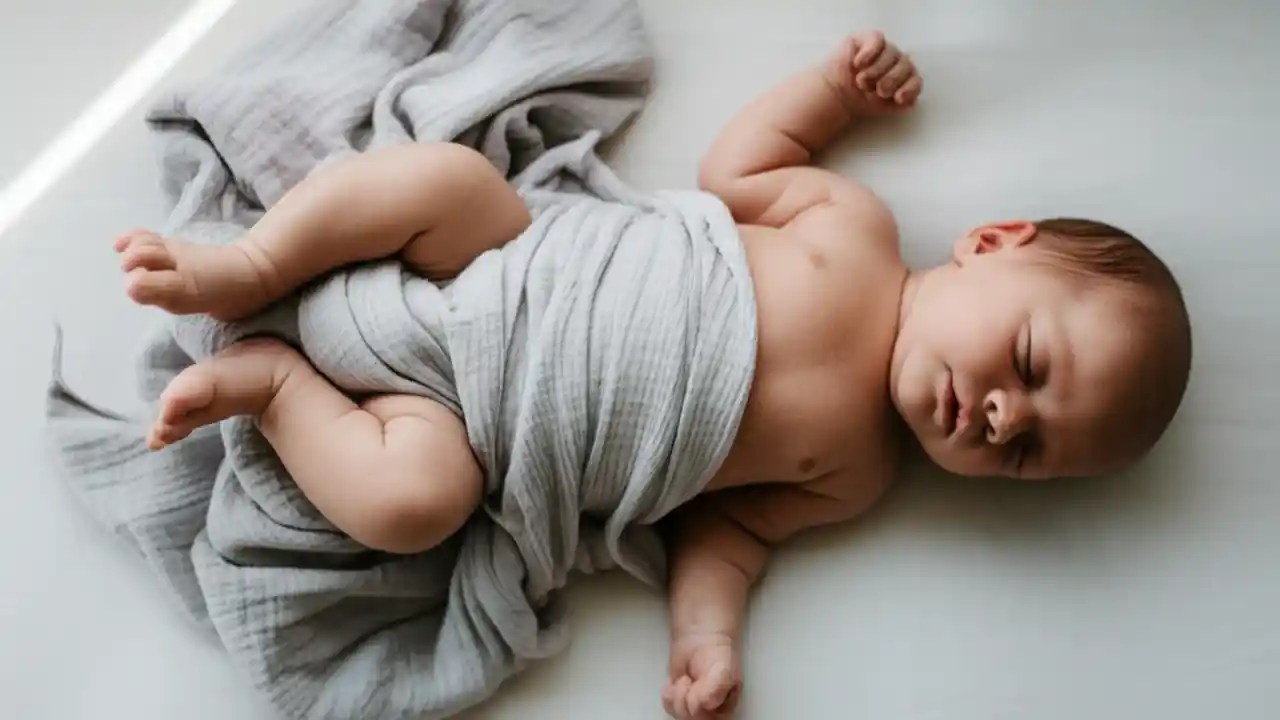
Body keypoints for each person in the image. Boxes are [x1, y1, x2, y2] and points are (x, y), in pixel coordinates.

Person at [112, 30, 1191, 720]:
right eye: (1029, 365)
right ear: (991, 242)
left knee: (412, 508)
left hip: (469, 431)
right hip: (497, 259)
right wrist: (830, 94)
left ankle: (274, 389)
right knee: (445, 178)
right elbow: (740, 170)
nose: (1003, 417)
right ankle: (250, 262)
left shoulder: (855, 475)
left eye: (1028, 455)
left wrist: (704, 639)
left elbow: (723, 537)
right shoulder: (853, 227)